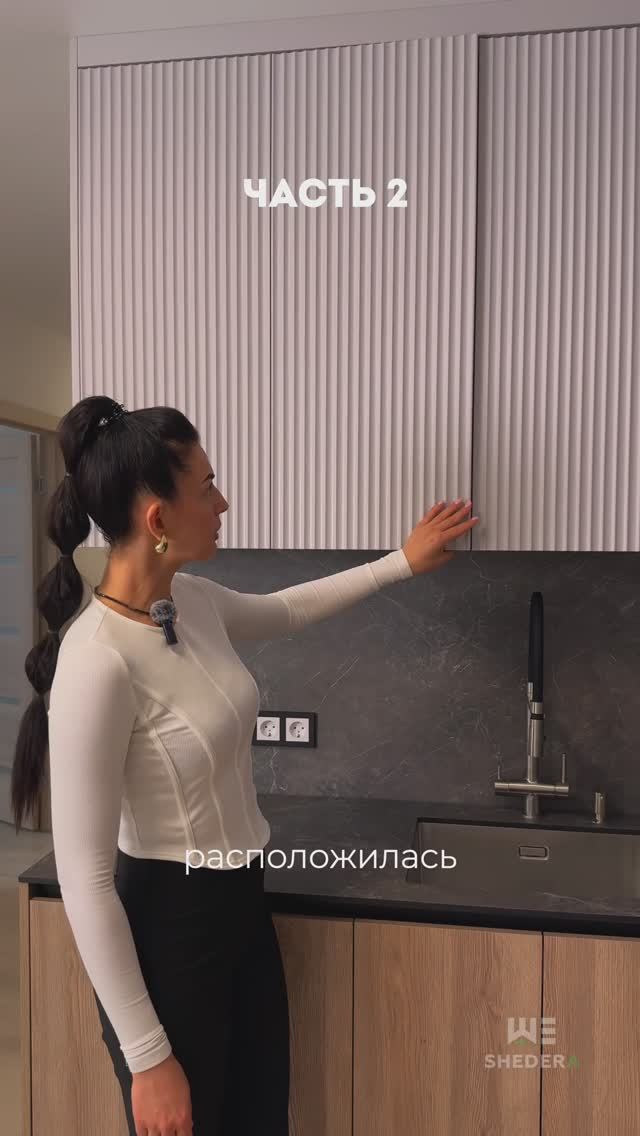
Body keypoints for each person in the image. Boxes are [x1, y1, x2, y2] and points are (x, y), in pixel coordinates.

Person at [11, 394, 479, 1136]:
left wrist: (401, 562)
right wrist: (147, 1057)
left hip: (239, 910)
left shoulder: (188, 602)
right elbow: (86, 881)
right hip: (168, 933)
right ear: (158, 519)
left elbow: (286, 610)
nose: (222, 502)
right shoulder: (95, 661)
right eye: (206, 487)